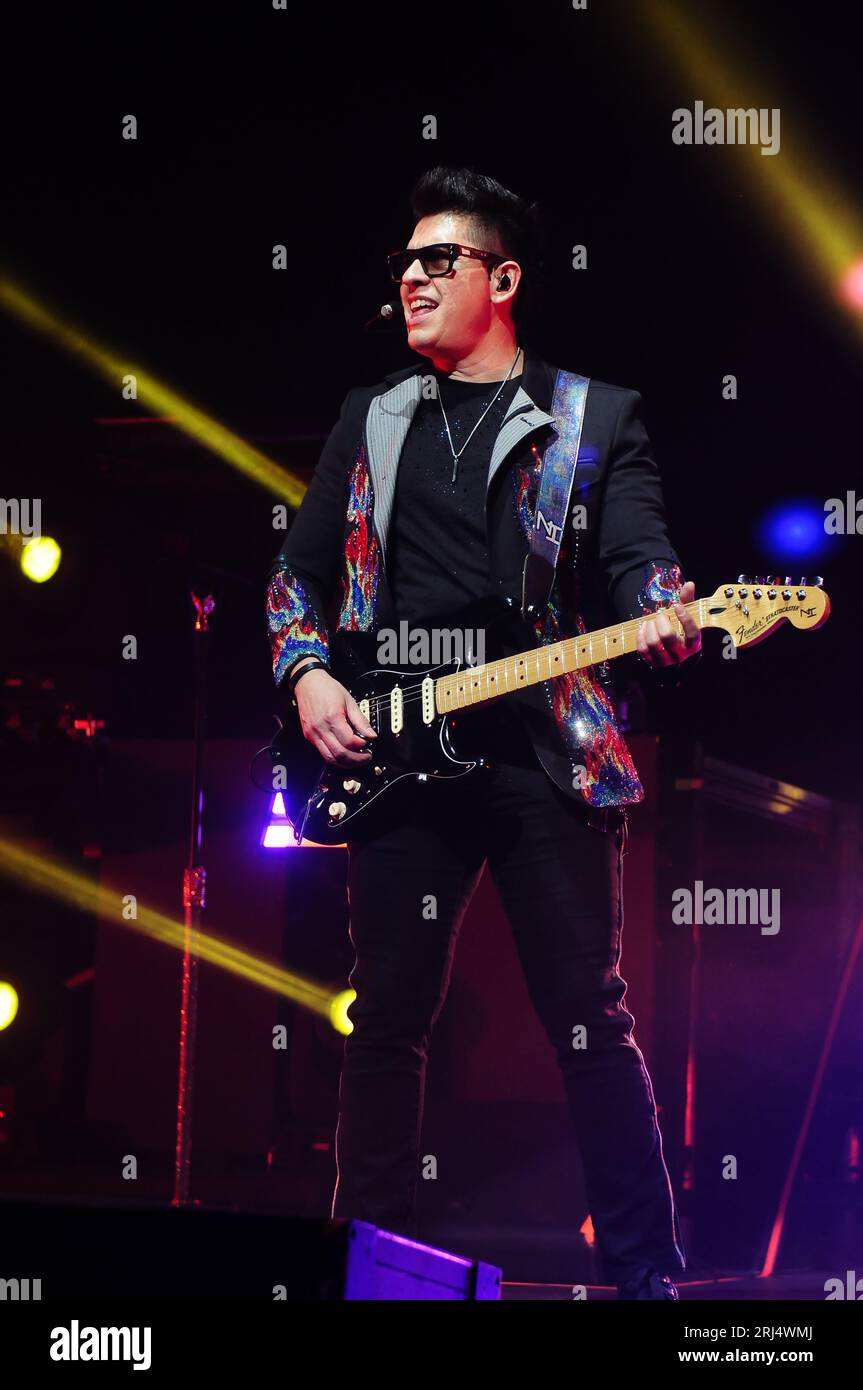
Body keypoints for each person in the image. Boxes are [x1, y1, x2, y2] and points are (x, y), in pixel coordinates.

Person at [267, 166, 701, 1299]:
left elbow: (635, 555)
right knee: (386, 1012)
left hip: (539, 749)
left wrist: (660, 599)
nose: (408, 278)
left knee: (585, 1013)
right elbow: (296, 576)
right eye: (403, 262)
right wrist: (310, 672)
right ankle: (361, 1267)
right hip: (402, 755)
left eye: (436, 260)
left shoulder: (592, 419)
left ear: (501, 280)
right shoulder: (373, 416)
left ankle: (647, 1279)